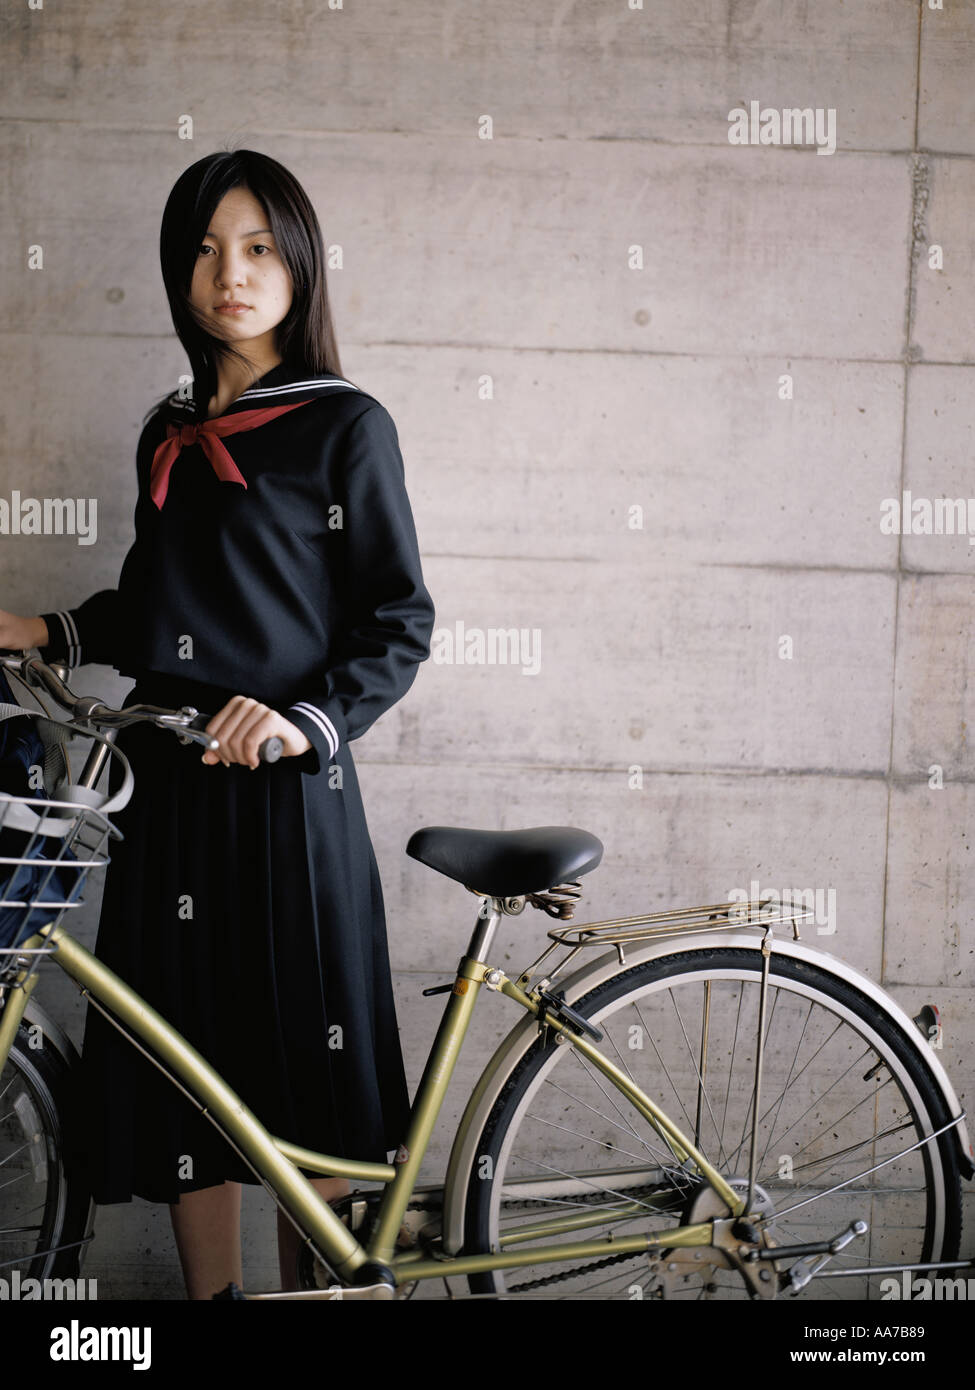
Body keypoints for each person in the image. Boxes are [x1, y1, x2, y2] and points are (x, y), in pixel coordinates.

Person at [0, 149, 435, 1299]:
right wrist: (38, 628)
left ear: (297, 260)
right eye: (202, 247)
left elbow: (399, 622)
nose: (228, 273)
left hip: (287, 801)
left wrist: (302, 724)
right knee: (183, 1076)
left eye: (253, 246)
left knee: (302, 1085)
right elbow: (152, 614)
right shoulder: (170, 431)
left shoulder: (348, 427)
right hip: (171, 790)